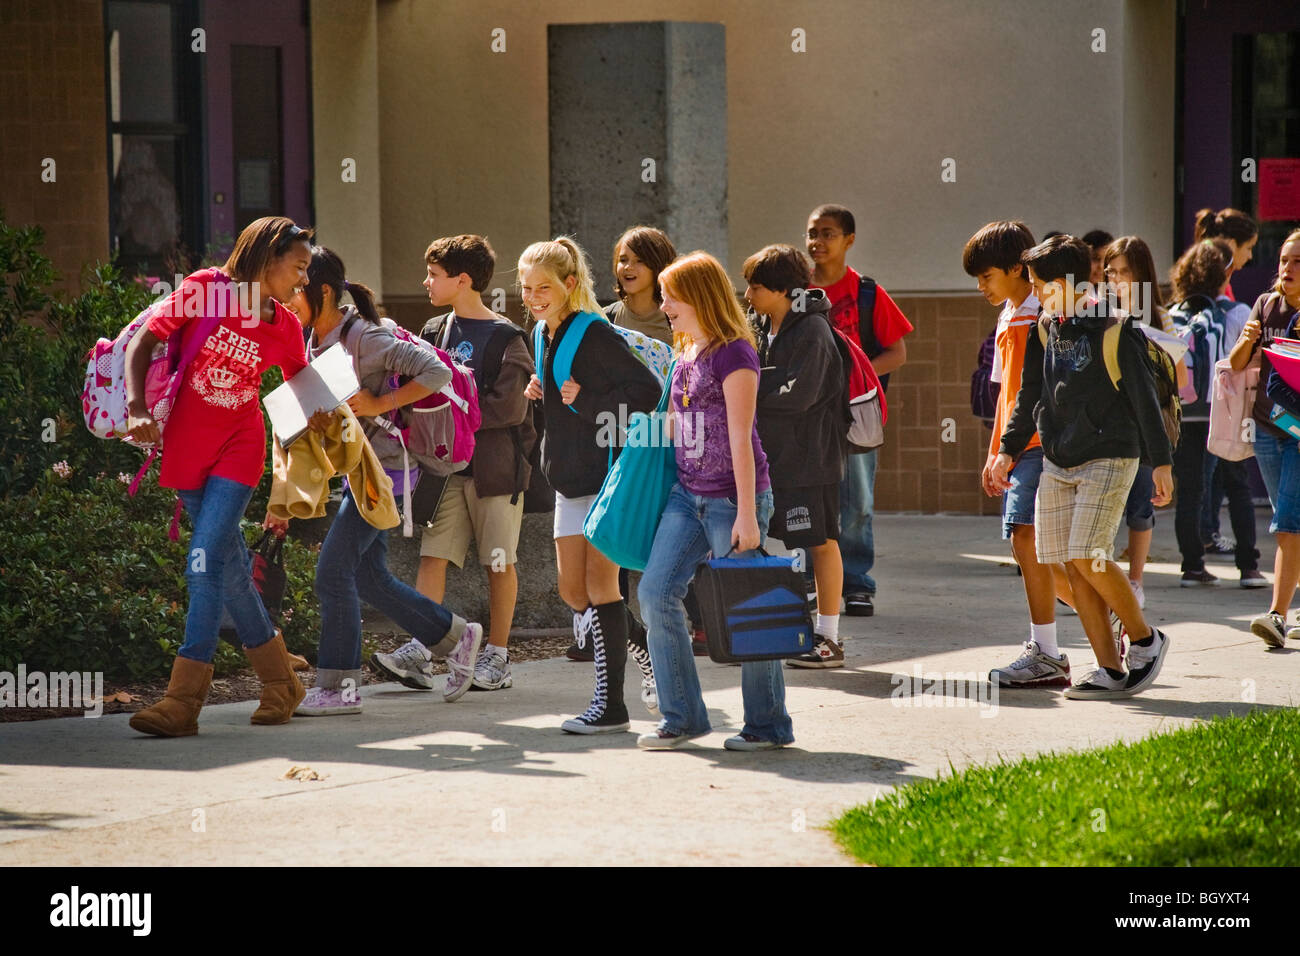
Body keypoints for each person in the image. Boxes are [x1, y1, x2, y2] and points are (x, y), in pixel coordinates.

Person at [271, 246, 484, 714]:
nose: (287, 297)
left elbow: (436, 371)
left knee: (332, 574)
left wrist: (378, 405)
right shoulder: (315, 339)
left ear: (322, 291)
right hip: (360, 470)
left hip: (389, 472)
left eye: (297, 288)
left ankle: (339, 689)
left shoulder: (365, 337)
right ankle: (456, 636)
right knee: (369, 577)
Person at [125, 217, 315, 736]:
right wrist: (138, 406)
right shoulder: (205, 291)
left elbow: (303, 388)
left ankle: (182, 702)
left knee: (204, 561)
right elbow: (143, 343)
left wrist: (335, 422)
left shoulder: (285, 325)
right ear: (267, 258)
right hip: (185, 449)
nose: (303, 280)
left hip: (240, 448)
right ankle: (280, 683)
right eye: (298, 267)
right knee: (229, 565)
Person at [992, 235, 1173, 701]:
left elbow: (1144, 400)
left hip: (1110, 454)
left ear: (1067, 282)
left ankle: (1146, 641)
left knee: (1090, 551)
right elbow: (1029, 394)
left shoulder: (1115, 327)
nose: (1035, 293)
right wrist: (1008, 451)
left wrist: (1160, 463)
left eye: (1040, 284)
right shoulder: (1046, 326)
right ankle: (1109, 670)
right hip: (1058, 458)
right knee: (1068, 561)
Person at [637, 251, 791, 751]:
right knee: (655, 594)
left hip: (732, 498)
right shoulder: (686, 351)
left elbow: (743, 439)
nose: (664, 306)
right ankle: (683, 718)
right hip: (687, 496)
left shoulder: (735, 354)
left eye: (670, 296)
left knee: (749, 608)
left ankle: (767, 727)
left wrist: (748, 514)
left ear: (698, 296)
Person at [521, 237, 661, 732]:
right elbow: (563, 400)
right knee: (573, 592)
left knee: (603, 589)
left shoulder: (594, 333)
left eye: (544, 287)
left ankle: (611, 707)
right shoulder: (542, 334)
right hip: (567, 477)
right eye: (527, 288)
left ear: (570, 285)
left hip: (606, 476)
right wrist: (543, 394)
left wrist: (585, 398)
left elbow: (646, 391)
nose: (535, 297)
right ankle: (649, 654)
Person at [414, 235, 535, 692]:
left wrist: (451, 406)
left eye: (434, 275)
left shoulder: (507, 337)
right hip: (445, 471)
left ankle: (498, 656)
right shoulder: (431, 331)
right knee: (432, 556)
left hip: (496, 472)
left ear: (462, 281)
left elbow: (509, 408)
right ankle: (423, 649)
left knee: (499, 562)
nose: (425, 282)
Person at [963, 221, 1075, 687]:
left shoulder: (1039, 312)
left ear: (1016, 268)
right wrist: (995, 452)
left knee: (1029, 540)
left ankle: (1047, 651)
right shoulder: (1008, 314)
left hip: (1038, 444)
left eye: (987, 275)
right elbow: (1004, 395)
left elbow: (1034, 395)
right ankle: (1102, 616)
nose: (981, 286)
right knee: (1032, 545)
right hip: (1014, 446)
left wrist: (1010, 451)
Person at [805, 203, 914, 617]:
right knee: (810, 498)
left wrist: (853, 374)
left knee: (857, 501)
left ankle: (855, 583)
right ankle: (811, 581)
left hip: (855, 417)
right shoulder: (797, 289)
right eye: (812, 233)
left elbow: (898, 353)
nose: (818, 241)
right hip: (807, 417)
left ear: (849, 240)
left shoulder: (867, 292)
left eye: (828, 233)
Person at [743, 244, 848, 668]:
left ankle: (829, 637)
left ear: (785, 290)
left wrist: (748, 394)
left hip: (810, 458)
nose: (747, 294)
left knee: (819, 541)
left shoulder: (813, 331)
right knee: (767, 540)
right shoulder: (761, 324)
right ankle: (773, 627)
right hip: (771, 456)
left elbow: (799, 394)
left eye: (756, 287)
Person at [1167, 239, 1259, 588]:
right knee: (1238, 485)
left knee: (1190, 490)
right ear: (1226, 273)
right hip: (1226, 413)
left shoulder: (1174, 312)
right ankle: (1249, 567)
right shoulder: (1237, 313)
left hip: (1186, 413)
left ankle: (1192, 567)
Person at [1102, 236, 1187, 607]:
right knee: (1102, 510)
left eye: (1126, 273)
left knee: (1140, 506)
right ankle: (1100, 582)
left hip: (1145, 426)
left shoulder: (1157, 315)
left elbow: (1180, 376)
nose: (1118, 280)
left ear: (1143, 276)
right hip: (1105, 425)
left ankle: (1135, 582)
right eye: (1112, 272)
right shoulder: (1097, 313)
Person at [1229, 229, 1300, 647]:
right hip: (1269, 426)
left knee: (1287, 524)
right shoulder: (1265, 305)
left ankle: (1276, 615)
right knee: (1288, 518)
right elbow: (1238, 365)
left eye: (1297, 262)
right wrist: (1247, 339)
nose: (1286, 269)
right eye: (1284, 260)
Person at [605, 225, 677, 344]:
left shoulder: (677, 318)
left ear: (658, 266)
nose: (628, 267)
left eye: (640, 261)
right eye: (623, 260)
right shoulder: (605, 318)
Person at [1193, 208, 1259, 302]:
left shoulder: (1222, 283)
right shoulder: (1215, 285)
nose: (1250, 256)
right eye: (1249, 248)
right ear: (1231, 245)